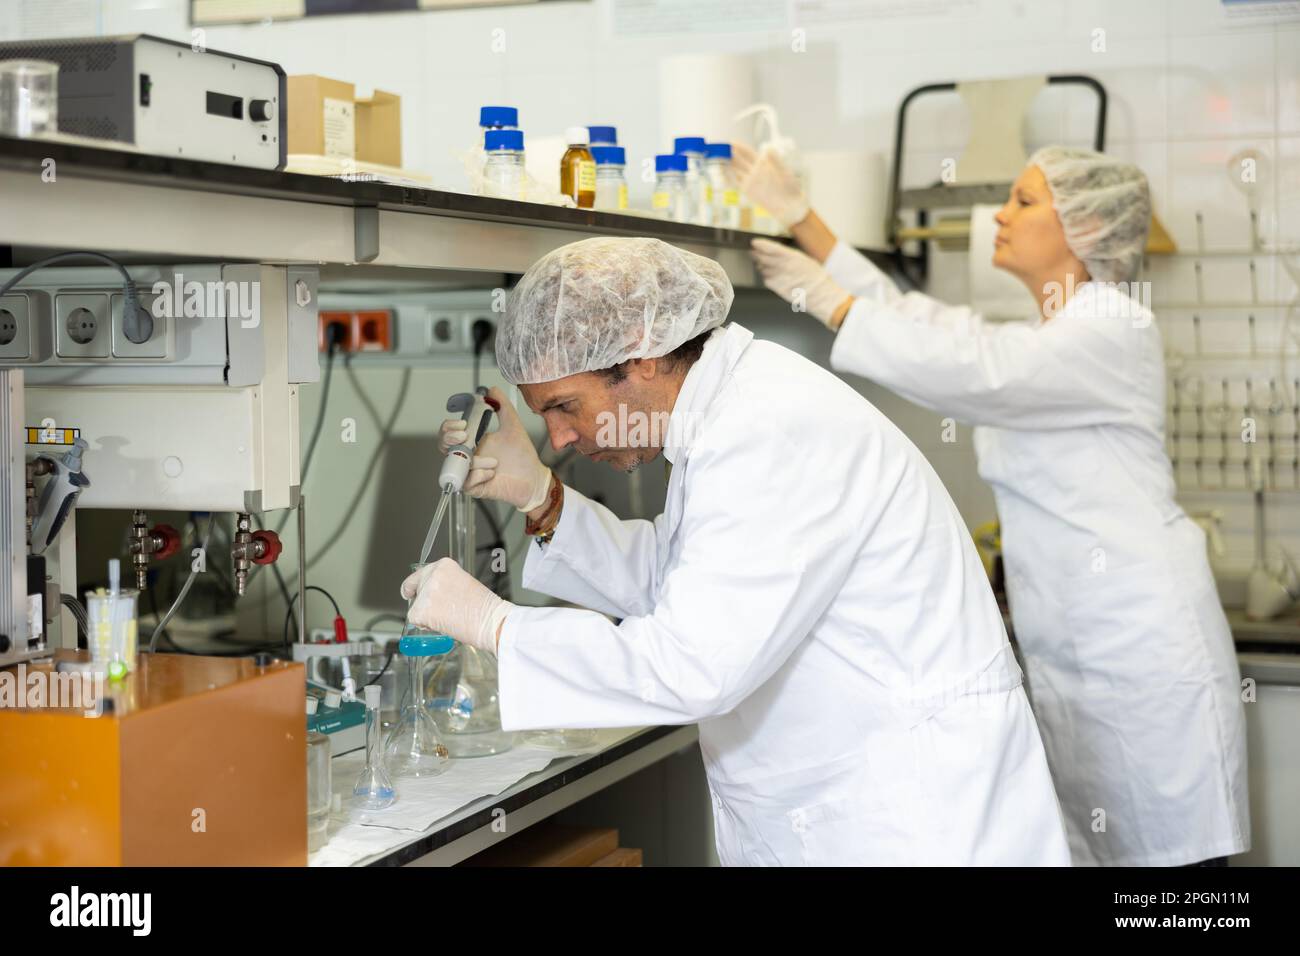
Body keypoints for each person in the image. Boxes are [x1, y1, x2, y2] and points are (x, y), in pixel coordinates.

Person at [402, 235, 1069, 866]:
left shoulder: (764, 432)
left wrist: (497, 626)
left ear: (640, 357)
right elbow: (686, 580)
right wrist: (542, 498)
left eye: (566, 407)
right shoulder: (728, 412)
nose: (562, 439)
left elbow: (693, 665)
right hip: (854, 801)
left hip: (909, 817)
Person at [739, 143, 1249, 867]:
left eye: (1024, 201)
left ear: (1087, 227)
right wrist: (801, 218)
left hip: (1143, 657)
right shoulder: (1053, 332)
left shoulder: (1113, 326)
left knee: (1175, 886)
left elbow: (977, 372)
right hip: (1079, 657)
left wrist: (832, 303)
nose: (1000, 216)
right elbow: (922, 322)